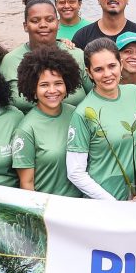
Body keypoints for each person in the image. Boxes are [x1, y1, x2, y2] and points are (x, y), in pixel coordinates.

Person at [68, 39, 136, 201]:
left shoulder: (135, 93)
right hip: (106, 202)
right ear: (89, 73)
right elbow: (75, 172)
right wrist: (112, 203)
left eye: (112, 66)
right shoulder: (83, 113)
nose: (107, 74)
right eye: (98, 69)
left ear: (120, 64)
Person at [0, 0, 89, 113]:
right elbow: (2, 105)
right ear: (25, 26)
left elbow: (95, 95)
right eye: (35, 21)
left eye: (49, 19)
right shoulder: (10, 61)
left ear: (58, 24)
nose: (43, 25)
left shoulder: (77, 55)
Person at [14, 47, 85, 197]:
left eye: (58, 83)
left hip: (83, 205)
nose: (52, 90)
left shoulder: (75, 114)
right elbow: (27, 183)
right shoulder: (26, 130)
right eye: (44, 85)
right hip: (49, 210)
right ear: (33, 89)